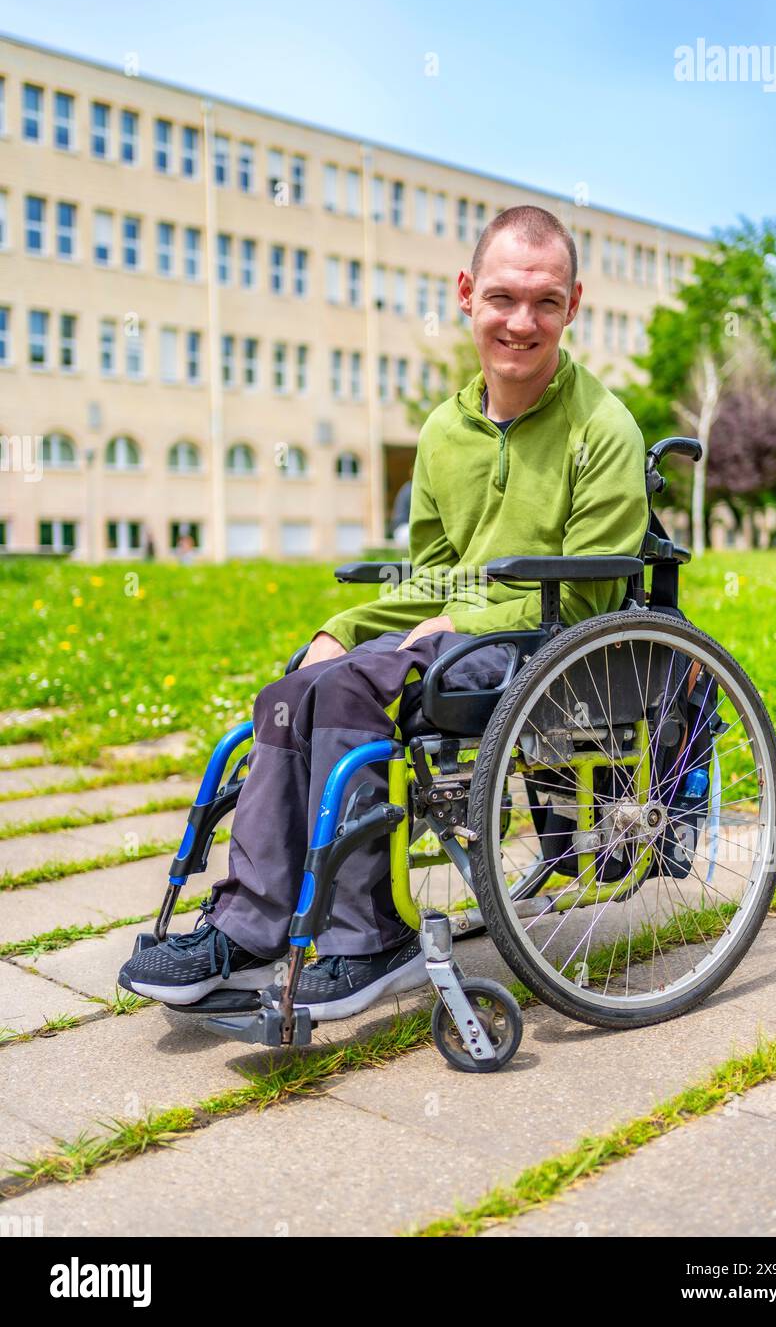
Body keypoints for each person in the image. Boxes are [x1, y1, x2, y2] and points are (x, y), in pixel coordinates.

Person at [118, 205, 649, 1020]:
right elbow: (433, 578)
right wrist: (351, 627)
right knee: (297, 687)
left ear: (572, 307)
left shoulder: (602, 428)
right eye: (503, 297)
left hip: (548, 647)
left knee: (354, 693)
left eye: (545, 302)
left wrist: (463, 618)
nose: (521, 321)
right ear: (467, 295)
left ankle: (371, 938)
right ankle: (245, 922)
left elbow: (591, 593)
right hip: (459, 636)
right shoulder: (443, 432)